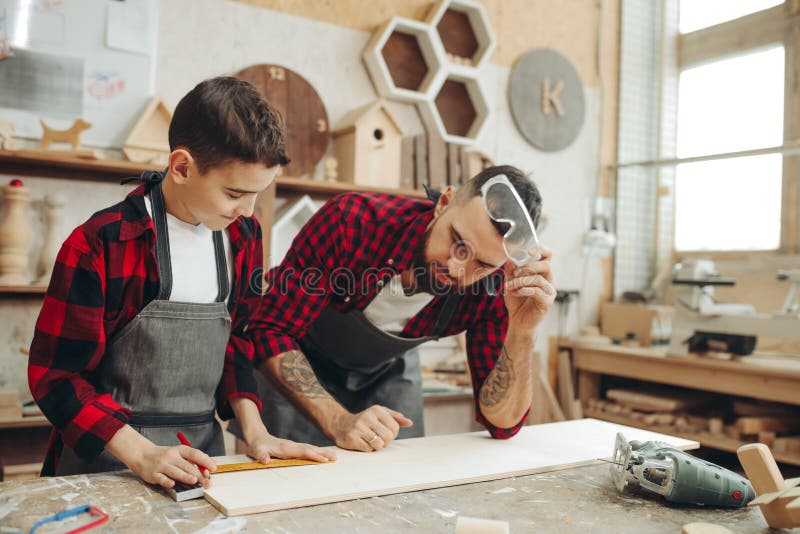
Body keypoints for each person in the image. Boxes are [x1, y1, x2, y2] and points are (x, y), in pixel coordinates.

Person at [28, 77, 335, 490]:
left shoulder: (242, 236)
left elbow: (235, 342)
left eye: (257, 195)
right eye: (235, 194)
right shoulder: (102, 243)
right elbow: (56, 377)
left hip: (201, 457)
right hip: (107, 462)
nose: (248, 210)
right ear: (182, 167)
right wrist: (143, 454)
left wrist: (255, 431)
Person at [230, 165, 555, 451]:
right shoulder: (352, 222)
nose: (457, 269)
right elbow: (270, 328)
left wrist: (523, 329)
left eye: (481, 264)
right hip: (297, 355)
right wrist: (338, 420)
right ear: (444, 203)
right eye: (457, 242)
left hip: (387, 372)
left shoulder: (497, 288)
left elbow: (502, 424)